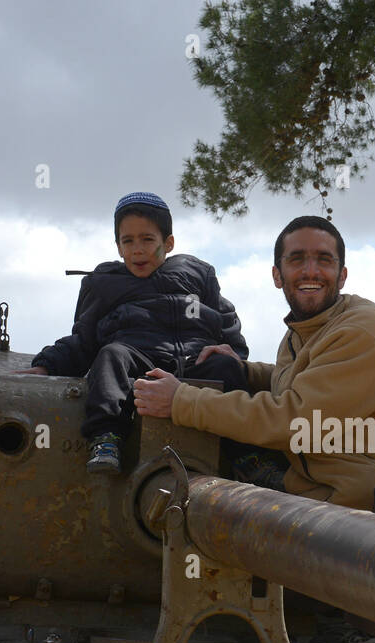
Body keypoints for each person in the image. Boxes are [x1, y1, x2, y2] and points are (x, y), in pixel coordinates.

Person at [132, 216, 375, 643]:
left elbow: (294, 418)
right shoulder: (303, 333)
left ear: (342, 274)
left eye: (324, 260)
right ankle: (335, 612)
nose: (311, 269)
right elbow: (297, 384)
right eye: (297, 259)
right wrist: (246, 370)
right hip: (342, 499)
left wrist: (182, 401)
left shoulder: (364, 329)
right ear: (277, 274)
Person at [16, 191, 249, 472]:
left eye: (148, 240)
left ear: (168, 243)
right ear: (118, 247)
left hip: (193, 363)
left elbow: (225, 320)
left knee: (225, 366)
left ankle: (245, 455)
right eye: (128, 241)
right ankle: (107, 436)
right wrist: (47, 365)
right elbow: (84, 339)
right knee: (111, 355)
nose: (137, 249)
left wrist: (233, 351)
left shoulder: (197, 274)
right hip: (138, 364)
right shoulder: (105, 283)